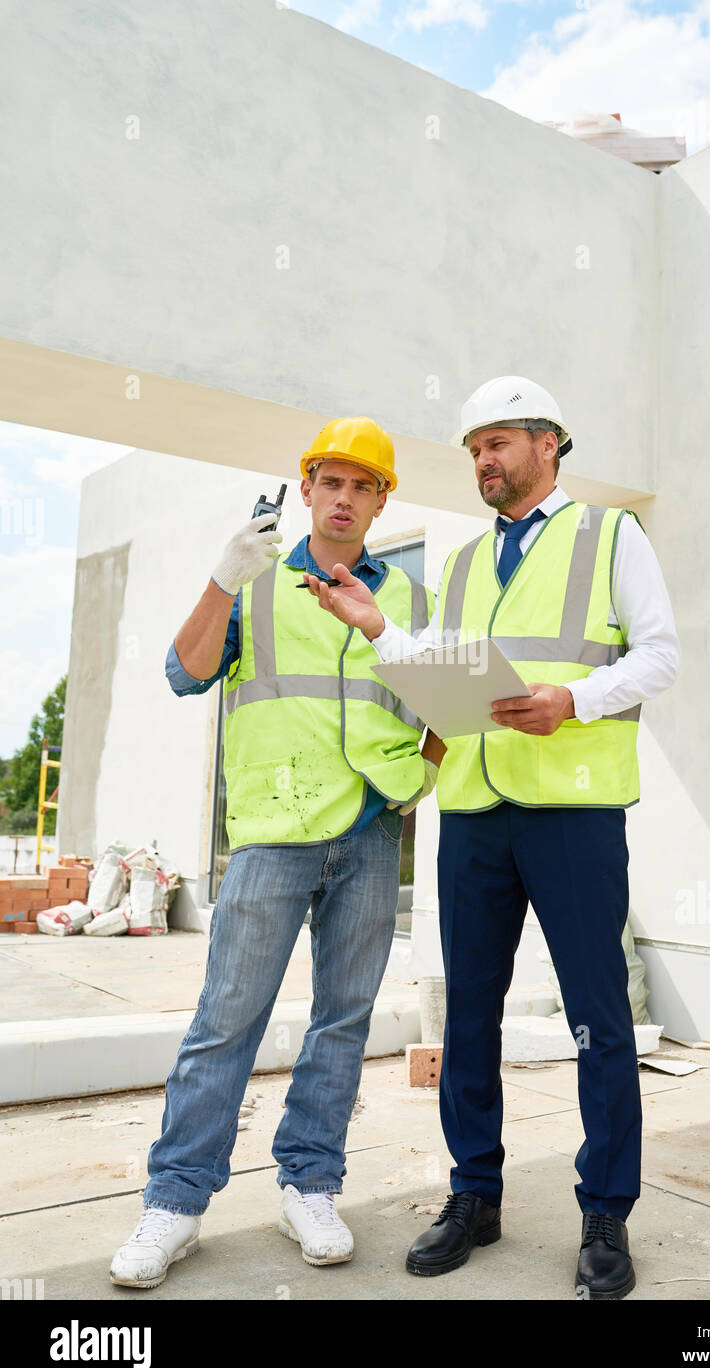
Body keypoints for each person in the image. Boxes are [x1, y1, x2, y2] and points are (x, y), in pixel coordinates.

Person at [303, 377, 680, 1299]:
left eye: (500, 441)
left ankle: (604, 1211)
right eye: (474, 445)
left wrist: (573, 700)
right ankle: (474, 1192)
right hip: (472, 812)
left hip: (575, 809)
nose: (483, 459)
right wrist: (378, 627)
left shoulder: (608, 535)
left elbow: (660, 654)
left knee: (597, 1016)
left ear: (549, 444)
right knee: (467, 1016)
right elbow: (439, 672)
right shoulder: (464, 560)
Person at [109, 418, 442, 1289]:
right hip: (271, 835)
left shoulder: (407, 598)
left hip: (369, 834)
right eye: (329, 481)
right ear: (306, 489)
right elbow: (184, 673)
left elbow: (445, 696)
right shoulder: (254, 578)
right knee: (225, 1023)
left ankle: (311, 1185)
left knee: (342, 1022)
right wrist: (223, 579)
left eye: (362, 485)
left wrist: (416, 783)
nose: (343, 498)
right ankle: (175, 1201)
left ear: (381, 499)